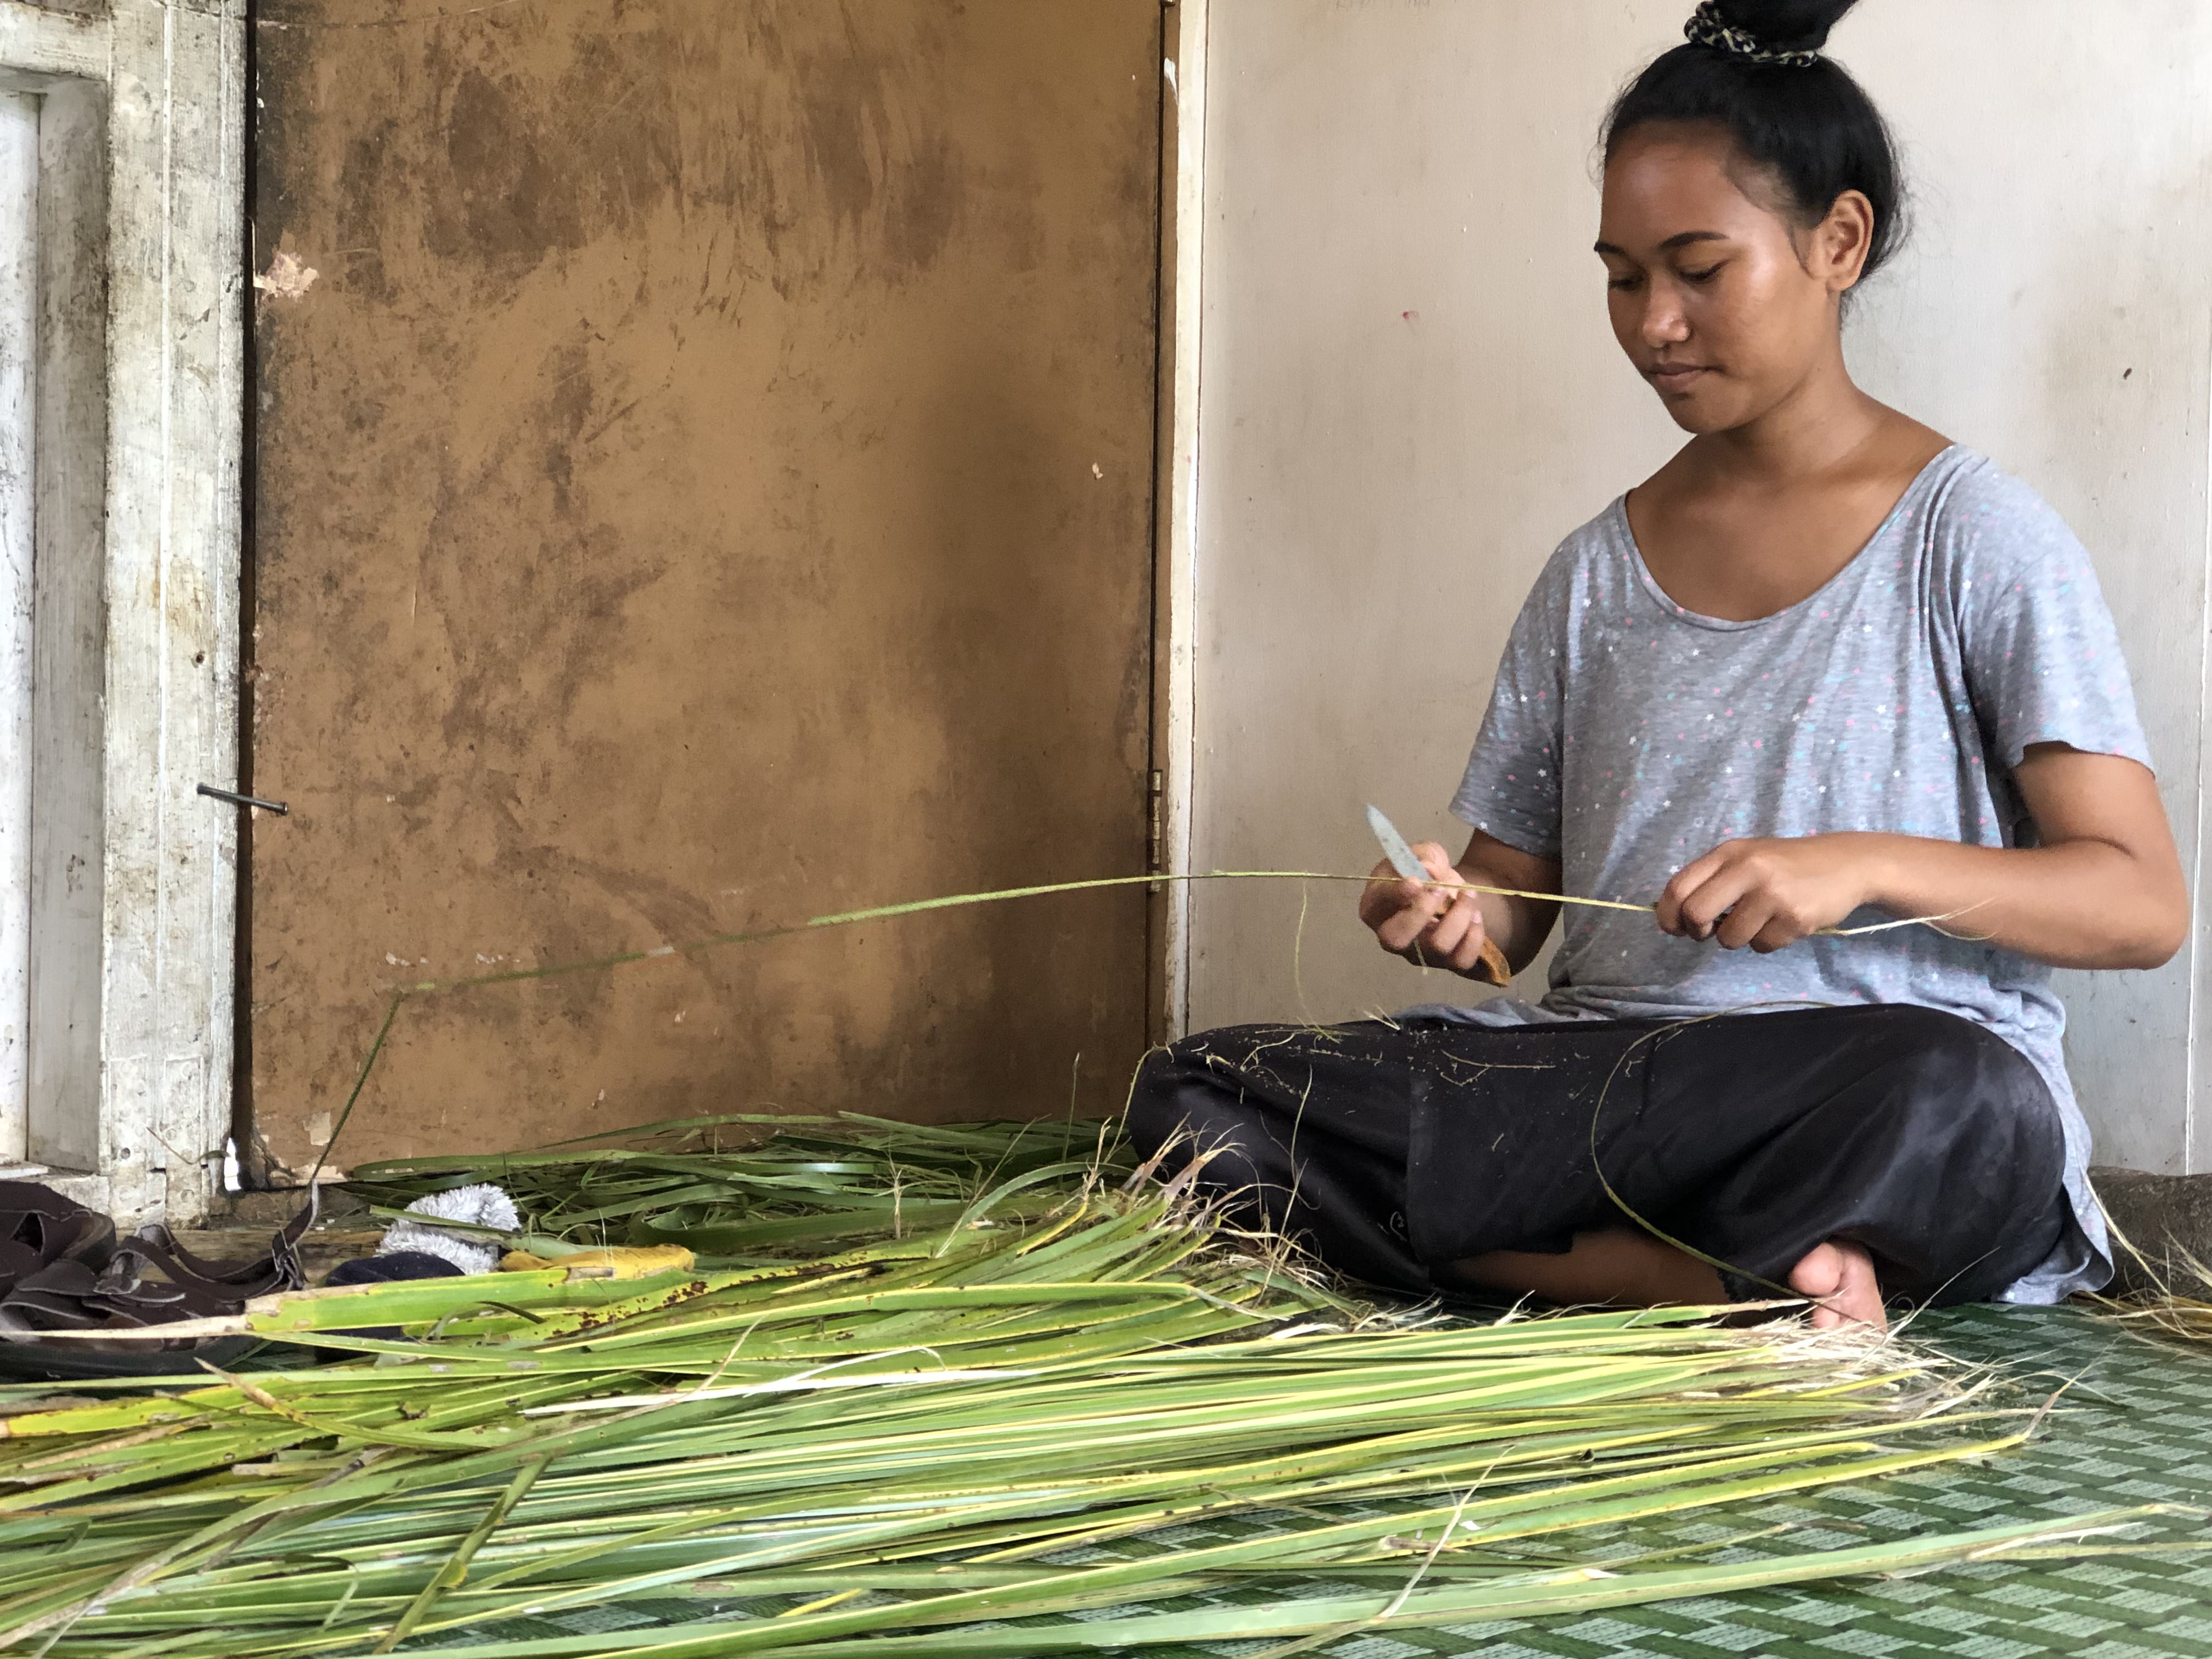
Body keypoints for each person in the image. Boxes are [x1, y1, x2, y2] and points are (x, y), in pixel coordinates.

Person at [1128, 0, 2187, 1331]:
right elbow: (1519, 908)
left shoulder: (1972, 539)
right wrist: (1458, 916)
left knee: (1963, 1099)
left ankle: (1598, 1271)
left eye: (1698, 268)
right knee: (1197, 1099)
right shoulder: (1593, 574)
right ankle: (1729, 1287)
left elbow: (2140, 904)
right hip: (1616, 1086)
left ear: (1837, 242)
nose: (1655, 323)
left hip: (1855, 1089)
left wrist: (1856, 863)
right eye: (1624, 276)